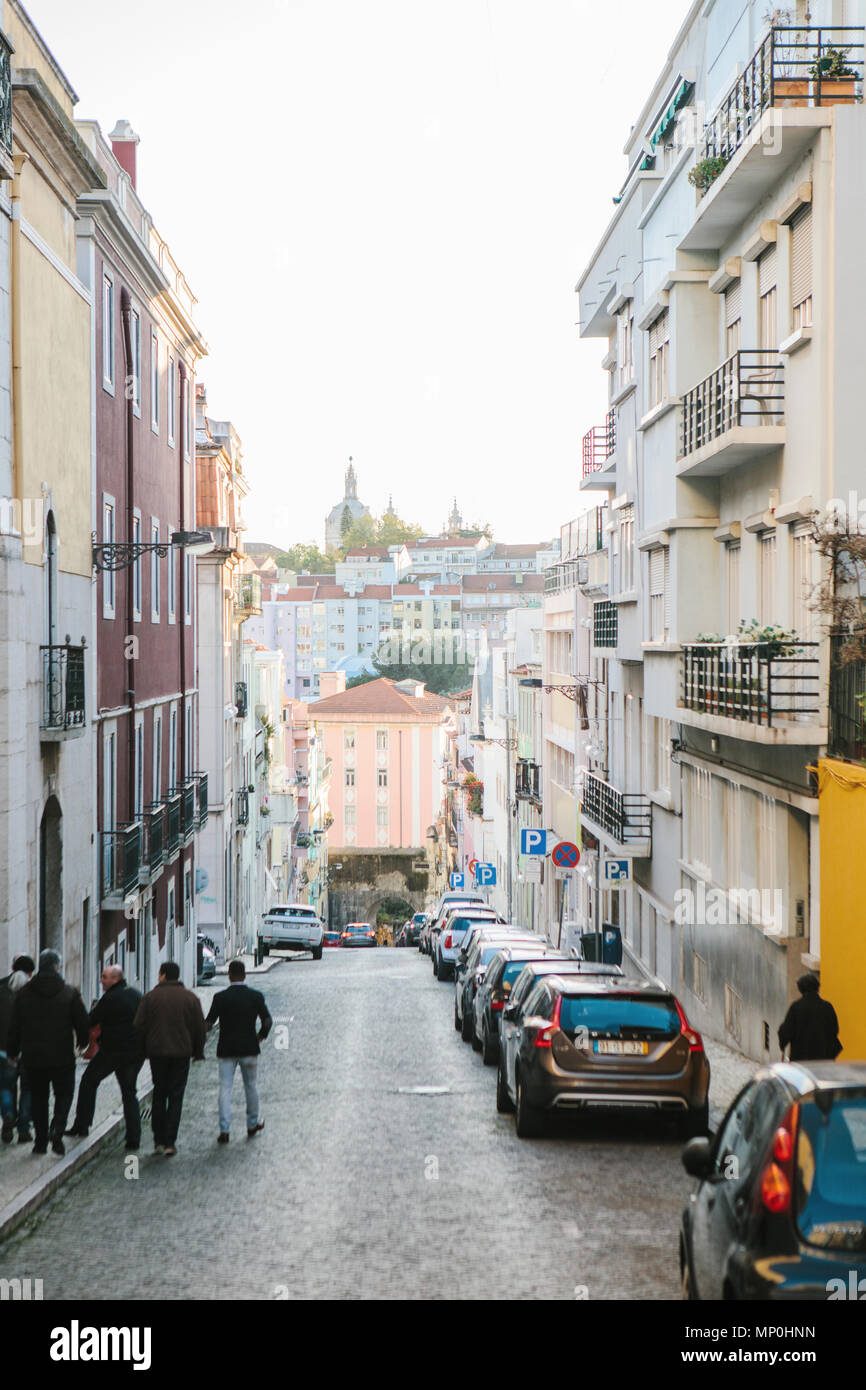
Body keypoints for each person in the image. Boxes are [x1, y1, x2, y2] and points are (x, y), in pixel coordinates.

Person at [6, 950, 89, 1156]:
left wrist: (12, 1051)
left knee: (38, 1099)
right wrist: (83, 1043)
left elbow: (15, 1026)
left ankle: (41, 1142)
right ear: (57, 967)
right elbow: (82, 1022)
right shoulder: (69, 993)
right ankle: (57, 1128)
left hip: (33, 1058)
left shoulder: (24, 994)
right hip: (62, 1056)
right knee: (64, 1094)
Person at [66, 965, 143, 1150]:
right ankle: (133, 1138)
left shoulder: (110, 998)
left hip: (113, 1051)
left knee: (88, 1081)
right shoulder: (136, 994)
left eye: (104, 977)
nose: (101, 980)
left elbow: (90, 1021)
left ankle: (82, 1125)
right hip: (135, 1053)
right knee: (129, 1092)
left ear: (115, 979)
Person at [133, 961, 206, 1157]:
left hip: (157, 1053)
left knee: (159, 1094)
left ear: (163, 975)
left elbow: (138, 1027)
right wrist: (198, 1052)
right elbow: (200, 1027)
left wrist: (142, 1051)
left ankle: (158, 1139)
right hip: (181, 1054)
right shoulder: (190, 998)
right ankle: (170, 1142)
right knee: (176, 1097)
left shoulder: (150, 998)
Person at [205, 959, 272, 1143]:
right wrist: (261, 1036)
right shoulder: (255, 996)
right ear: (245, 975)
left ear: (229, 975)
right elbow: (267, 1020)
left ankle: (224, 1130)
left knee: (225, 1088)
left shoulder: (220, 998)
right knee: (251, 1087)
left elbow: (209, 1024)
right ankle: (252, 1124)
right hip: (249, 1047)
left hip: (226, 1048)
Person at [0, 957, 35, 1144]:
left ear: (13, 968)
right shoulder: (34, 992)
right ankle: (23, 1129)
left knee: (6, 1087)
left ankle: (7, 1114)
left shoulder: (0, 988)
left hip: (4, 1050)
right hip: (28, 1050)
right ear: (30, 973)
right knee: (28, 1089)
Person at [778, 974, 843, 1062]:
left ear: (800, 989)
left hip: (801, 1057)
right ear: (817, 987)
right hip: (823, 1056)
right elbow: (835, 1029)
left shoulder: (796, 1007)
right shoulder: (827, 1007)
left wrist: (783, 1043)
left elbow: (786, 1031)